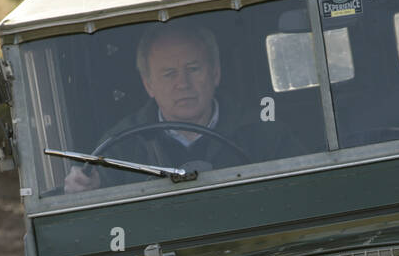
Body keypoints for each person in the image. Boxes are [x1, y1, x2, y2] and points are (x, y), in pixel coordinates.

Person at [63, 23, 302, 192]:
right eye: (169, 74)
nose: (182, 84)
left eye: (193, 69)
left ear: (215, 73)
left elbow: (300, 188)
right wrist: (83, 188)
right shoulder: (119, 147)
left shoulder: (263, 133)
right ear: (149, 85)